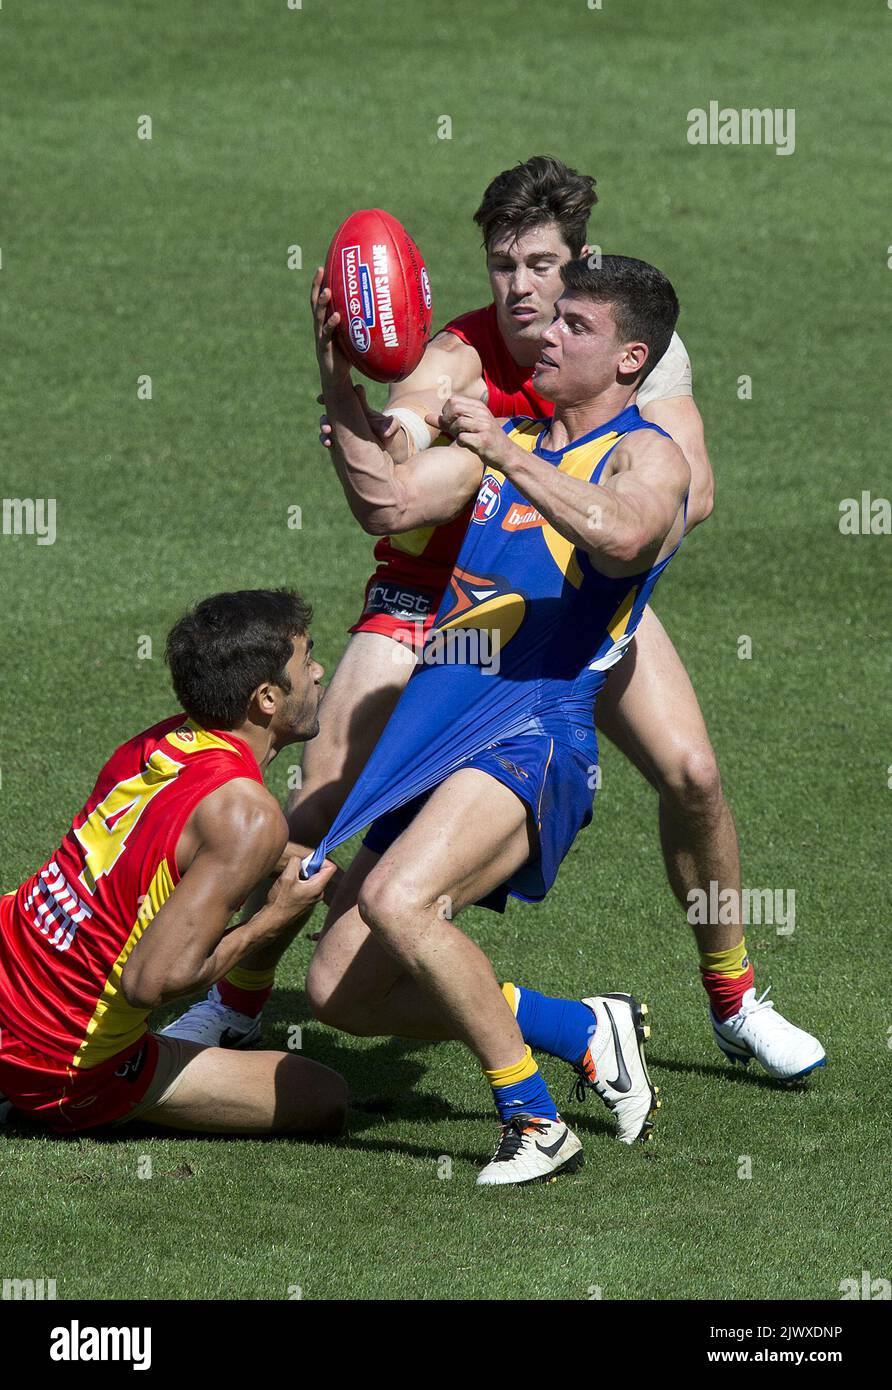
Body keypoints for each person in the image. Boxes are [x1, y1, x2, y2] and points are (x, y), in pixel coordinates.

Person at [169, 155, 824, 1084]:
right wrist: (377, 424)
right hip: (435, 596)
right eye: (503, 265)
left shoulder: (641, 343)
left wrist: (547, 479)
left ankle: (733, 999)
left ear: (581, 263)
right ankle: (231, 1005)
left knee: (694, 773)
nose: (522, 290)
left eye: (543, 267)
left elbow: (690, 494)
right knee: (325, 790)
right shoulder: (459, 354)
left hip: (566, 586)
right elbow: (398, 469)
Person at [301, 253, 688, 1186]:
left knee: (401, 903)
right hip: (447, 716)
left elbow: (626, 534)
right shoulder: (518, 443)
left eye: (576, 327)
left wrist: (504, 452)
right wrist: (337, 383)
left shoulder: (645, 453)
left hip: (536, 728)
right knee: (341, 993)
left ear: (631, 358)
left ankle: (534, 1123)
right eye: (552, 321)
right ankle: (576, 1025)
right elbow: (386, 502)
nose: (545, 334)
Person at [0, 589, 345, 1136]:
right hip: (60, 1066)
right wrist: (272, 918)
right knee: (321, 1094)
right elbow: (152, 985)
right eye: (307, 660)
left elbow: (170, 840)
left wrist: (300, 861)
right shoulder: (249, 818)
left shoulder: (160, 742)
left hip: (9, 971)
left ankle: (230, 1018)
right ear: (267, 699)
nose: (320, 670)